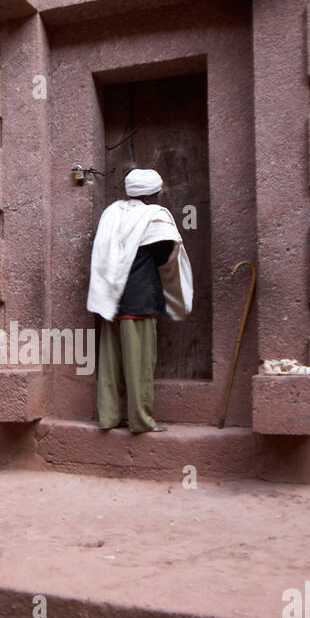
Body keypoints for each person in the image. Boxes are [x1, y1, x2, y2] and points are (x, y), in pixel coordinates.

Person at [87, 167, 193, 433]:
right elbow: (166, 254)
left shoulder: (111, 213)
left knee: (109, 365)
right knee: (139, 364)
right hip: (139, 298)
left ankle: (109, 417)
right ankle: (141, 421)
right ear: (153, 193)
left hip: (110, 299)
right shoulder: (156, 217)